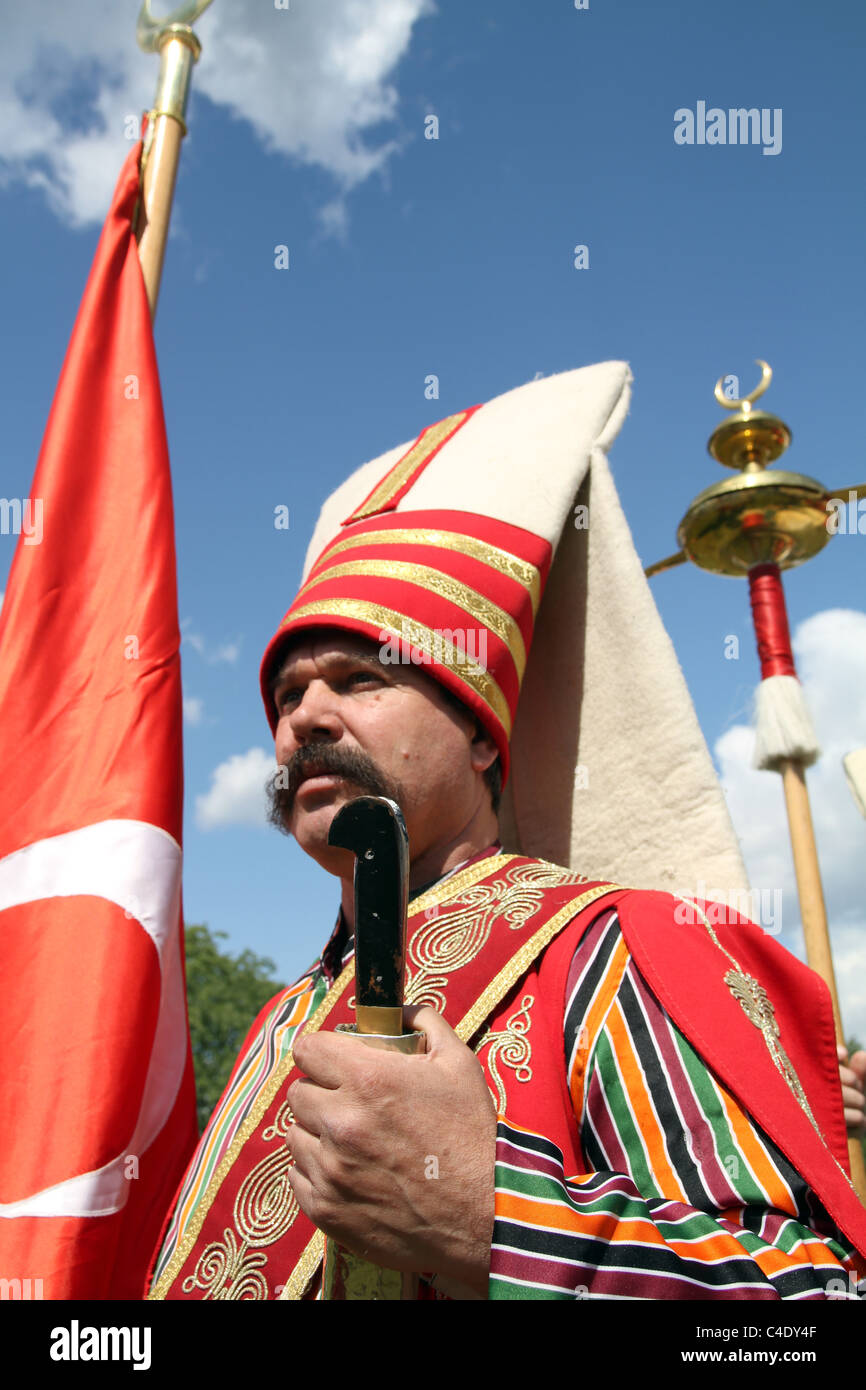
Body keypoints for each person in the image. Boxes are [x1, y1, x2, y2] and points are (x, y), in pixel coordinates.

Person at [148, 365, 866, 1300]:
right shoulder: (279, 1024)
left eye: (363, 679)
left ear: (485, 741)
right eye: (287, 696)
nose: (306, 719)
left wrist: (492, 1221)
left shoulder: (624, 946)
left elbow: (810, 1311)